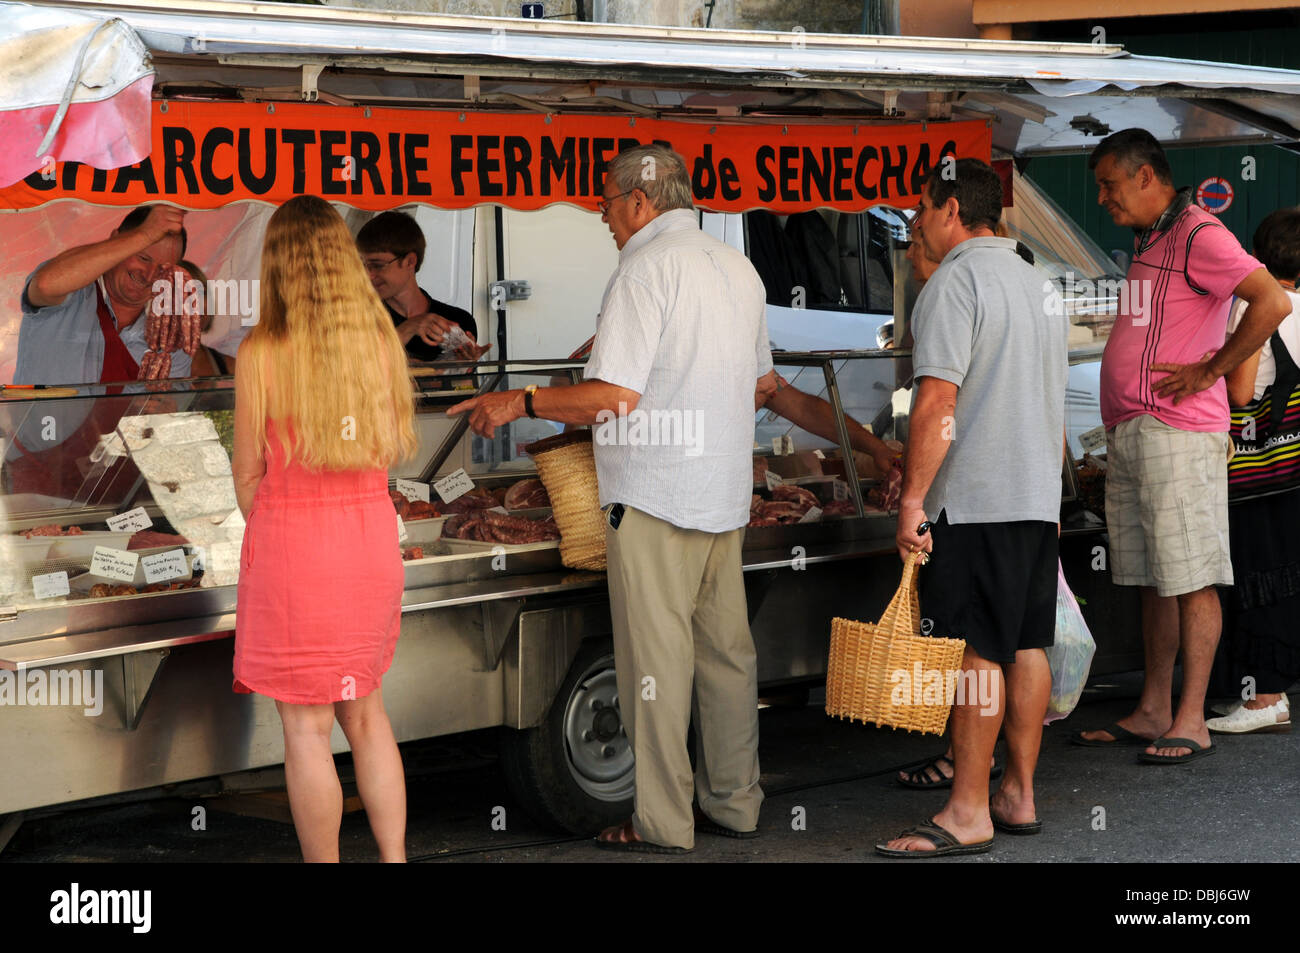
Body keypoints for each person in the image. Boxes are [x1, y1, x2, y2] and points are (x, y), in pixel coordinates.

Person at [448, 143, 774, 853]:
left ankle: (663, 820)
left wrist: (521, 400)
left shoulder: (644, 269)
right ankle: (736, 801)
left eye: (607, 201)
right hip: (721, 492)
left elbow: (613, 397)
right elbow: (758, 384)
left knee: (656, 666)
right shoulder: (738, 268)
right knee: (726, 657)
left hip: (656, 495)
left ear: (640, 200)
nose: (602, 214)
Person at [1072, 129, 1290, 763]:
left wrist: (1211, 369)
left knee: (1191, 579)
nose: (1103, 199)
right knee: (1151, 580)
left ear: (1147, 177)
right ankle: (1153, 707)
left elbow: (1270, 300)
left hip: (1179, 430)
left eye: (1110, 185)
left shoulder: (1198, 231)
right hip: (1136, 428)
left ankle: (1190, 717)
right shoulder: (1153, 238)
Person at [877, 158, 1067, 857]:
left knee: (975, 651)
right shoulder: (1034, 277)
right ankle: (1018, 793)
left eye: (922, 208)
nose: (917, 221)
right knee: (1024, 642)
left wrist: (916, 501)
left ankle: (967, 809)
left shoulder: (956, 280)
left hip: (979, 497)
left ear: (951, 209)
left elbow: (936, 402)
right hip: (1033, 495)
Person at [232, 195, 417, 863]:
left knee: (307, 731)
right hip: (369, 537)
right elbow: (392, 450)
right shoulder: (377, 343)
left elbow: (248, 474)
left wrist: (283, 525)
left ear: (277, 263)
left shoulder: (261, 351)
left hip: (295, 549)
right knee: (366, 715)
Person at [1208, 208, 1300, 734]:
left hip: (1259, 472)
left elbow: (1242, 391)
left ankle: (1266, 697)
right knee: (1289, 576)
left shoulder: (1260, 309)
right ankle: (1271, 688)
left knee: (1261, 578)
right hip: (1294, 468)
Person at [17, 204, 192, 384]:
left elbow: (173, 403)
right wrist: (145, 235)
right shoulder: (74, 291)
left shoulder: (169, 337)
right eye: (143, 258)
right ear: (116, 240)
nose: (149, 275)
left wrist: (164, 405)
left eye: (163, 268)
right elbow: (45, 284)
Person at [356, 210, 483, 362]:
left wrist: (460, 368)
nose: (368, 275)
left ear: (410, 261)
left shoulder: (457, 320)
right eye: (362, 265)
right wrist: (410, 327)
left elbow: (461, 385)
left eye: (377, 265)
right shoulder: (358, 317)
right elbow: (359, 368)